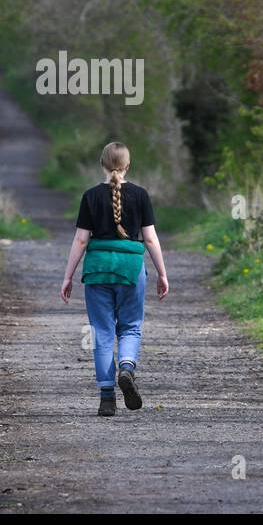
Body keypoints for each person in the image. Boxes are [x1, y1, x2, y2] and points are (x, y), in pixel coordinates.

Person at [60, 141, 170, 416]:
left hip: (98, 270)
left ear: (102, 165)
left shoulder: (90, 196)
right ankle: (127, 367)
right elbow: (150, 238)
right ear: (128, 166)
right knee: (131, 326)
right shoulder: (141, 195)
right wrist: (162, 273)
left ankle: (106, 397)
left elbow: (82, 239)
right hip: (131, 269)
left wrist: (68, 276)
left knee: (102, 332)